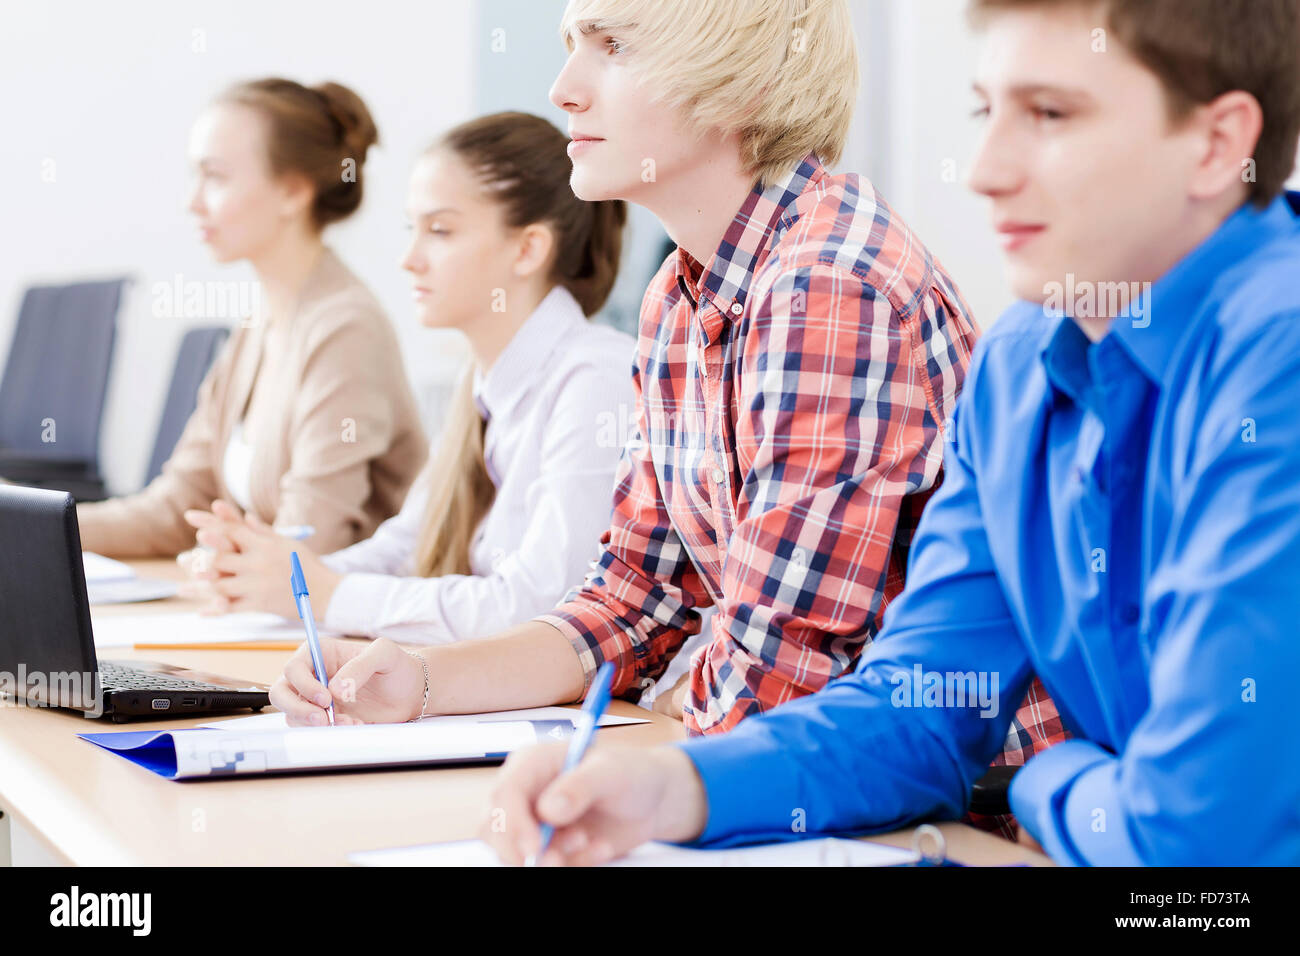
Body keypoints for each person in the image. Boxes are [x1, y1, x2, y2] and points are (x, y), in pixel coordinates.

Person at [480, 0, 1300, 866]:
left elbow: (1200, 840)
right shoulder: (1022, 364)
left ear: (1216, 147)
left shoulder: (1277, 357)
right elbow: (919, 707)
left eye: (1051, 115)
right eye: (989, 113)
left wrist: (1040, 782)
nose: (983, 170)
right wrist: (674, 791)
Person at [268, 0, 1065, 821]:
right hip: (815, 790)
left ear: (742, 85)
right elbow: (632, 599)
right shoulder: (679, 299)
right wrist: (425, 682)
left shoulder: (829, 283)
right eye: (573, 46)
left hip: (955, 819)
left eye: (611, 48)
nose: (564, 88)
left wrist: (645, 793)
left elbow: (778, 669)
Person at [181, 112, 635, 646]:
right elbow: (406, 546)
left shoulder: (595, 378)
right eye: (411, 230)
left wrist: (323, 592)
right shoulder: (483, 383)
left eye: (440, 231)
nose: (408, 260)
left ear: (528, 249)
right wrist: (276, 575)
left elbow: (543, 609)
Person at [77, 77, 426, 557]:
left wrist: (222, 553)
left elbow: (309, 544)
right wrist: (37, 522)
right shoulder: (259, 325)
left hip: (333, 626)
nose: (192, 201)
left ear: (293, 192)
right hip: (268, 614)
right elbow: (176, 508)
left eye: (215, 177)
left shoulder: (345, 330)